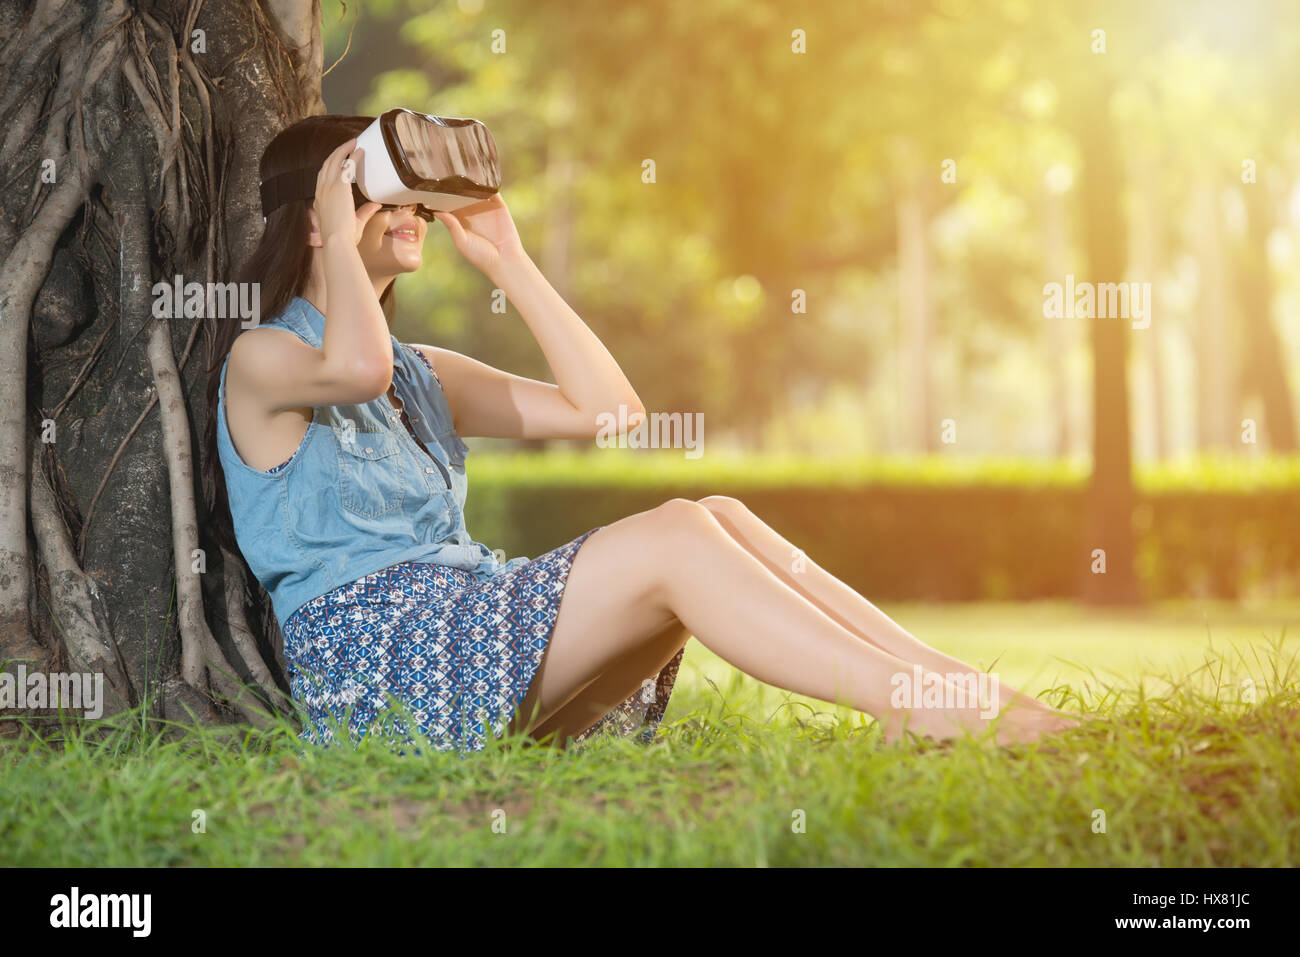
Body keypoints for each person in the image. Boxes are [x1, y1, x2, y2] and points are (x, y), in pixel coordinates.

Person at [203, 114, 1081, 755]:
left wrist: (510, 257)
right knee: (673, 536)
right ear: (317, 216)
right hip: (384, 673)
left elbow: (608, 411)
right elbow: (354, 370)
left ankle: (958, 691)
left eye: (417, 204)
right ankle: (937, 711)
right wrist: (342, 232)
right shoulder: (263, 358)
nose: (415, 215)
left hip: (465, 641)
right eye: (382, 197)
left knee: (719, 511)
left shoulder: (421, 369)